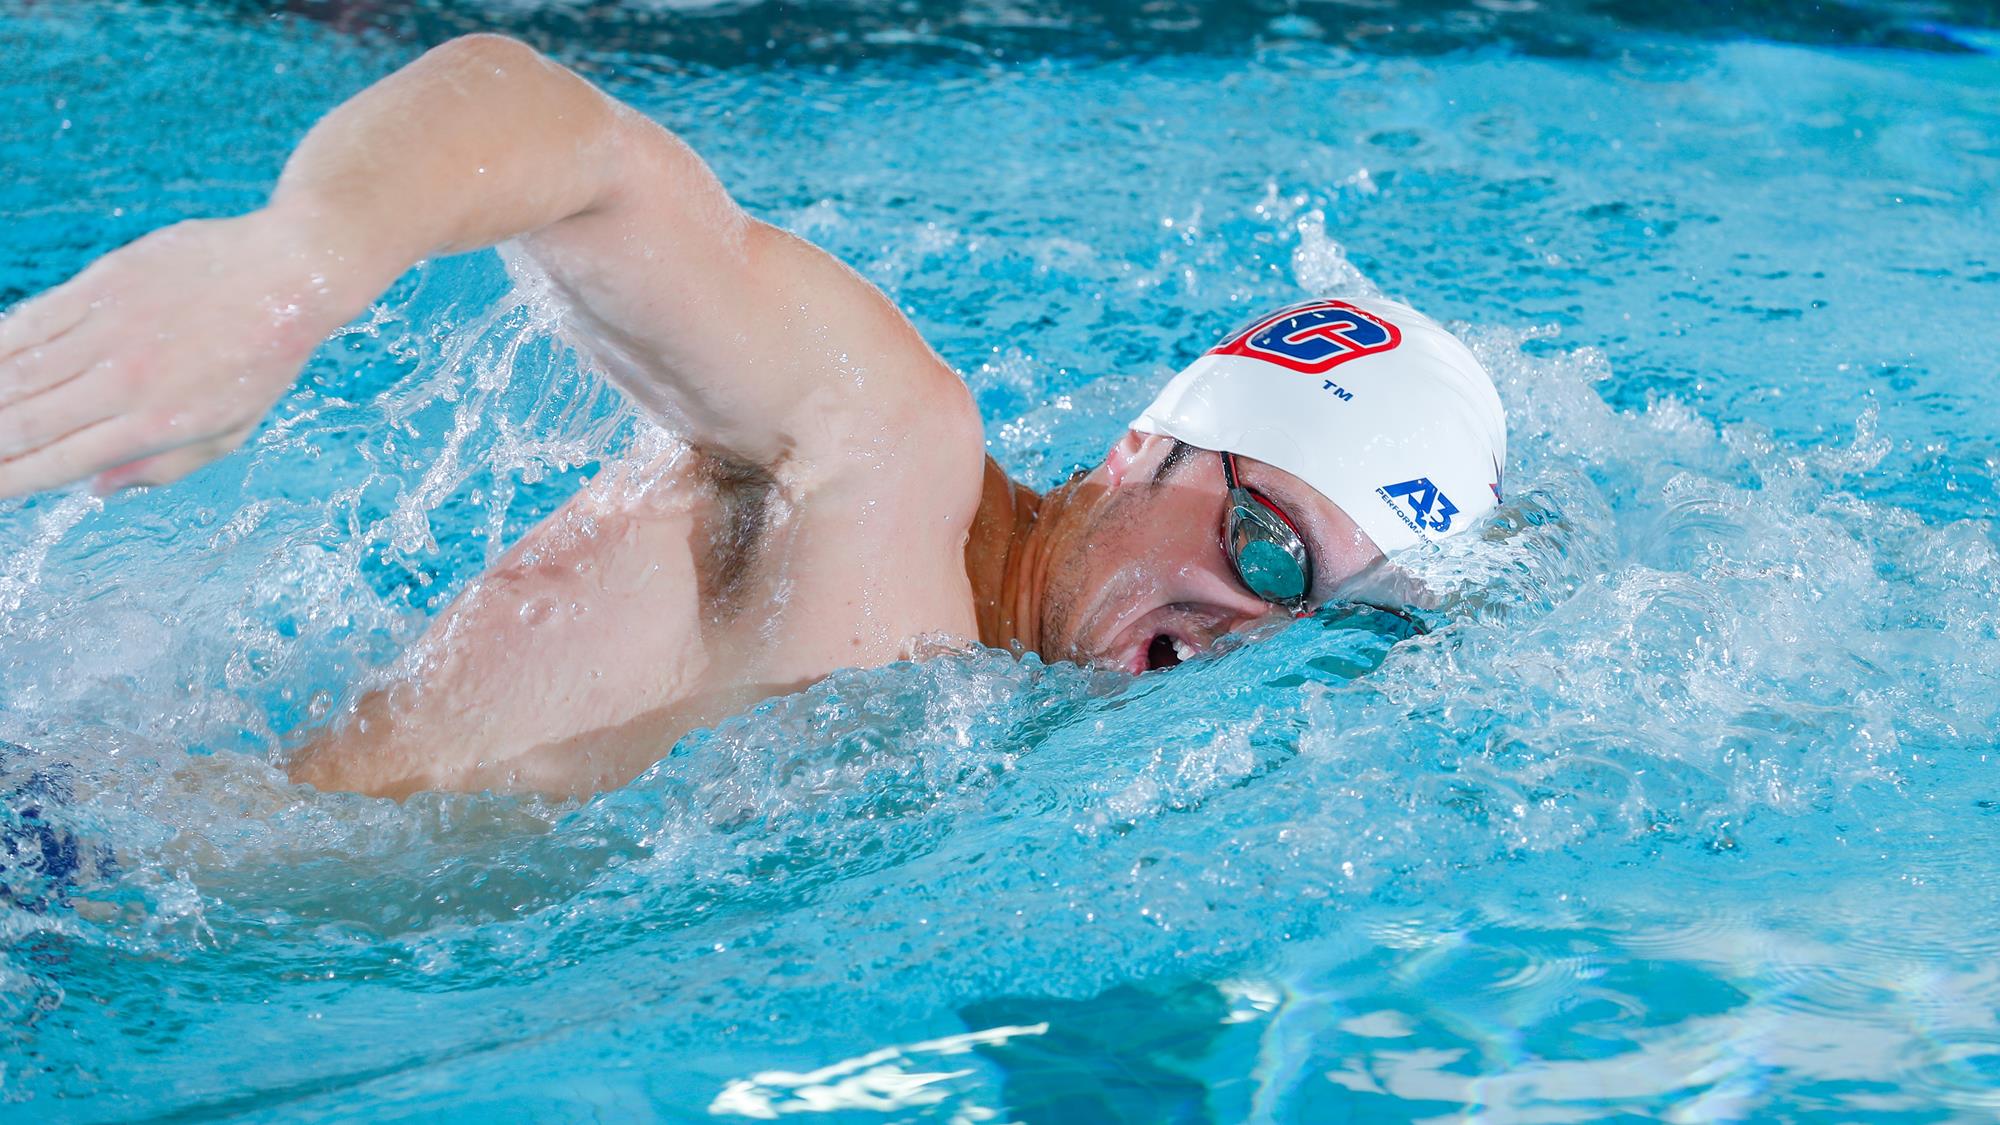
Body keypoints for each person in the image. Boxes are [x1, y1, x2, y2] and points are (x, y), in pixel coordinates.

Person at [0, 35, 1504, 801]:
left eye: (1326, 623)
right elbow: (561, 130)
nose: (1253, 627)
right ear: (1147, 446)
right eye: (1270, 545)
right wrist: (293, 266)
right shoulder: (881, 452)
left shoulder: (1003, 729)